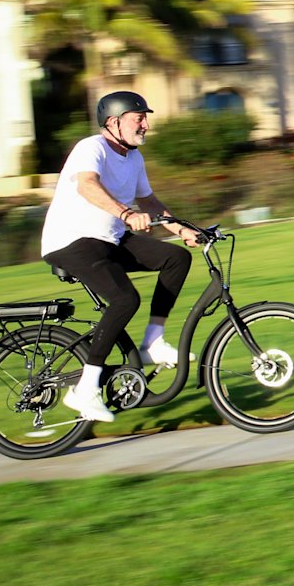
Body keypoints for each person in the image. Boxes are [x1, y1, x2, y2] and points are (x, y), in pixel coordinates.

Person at [40, 91, 208, 423]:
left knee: (176, 259)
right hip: (72, 241)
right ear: (114, 122)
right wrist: (126, 213)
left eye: (145, 118)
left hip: (110, 239)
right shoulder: (92, 148)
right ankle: (86, 389)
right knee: (124, 299)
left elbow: (150, 202)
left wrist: (184, 230)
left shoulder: (133, 159)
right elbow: (87, 185)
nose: (146, 125)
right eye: (139, 118)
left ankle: (152, 343)